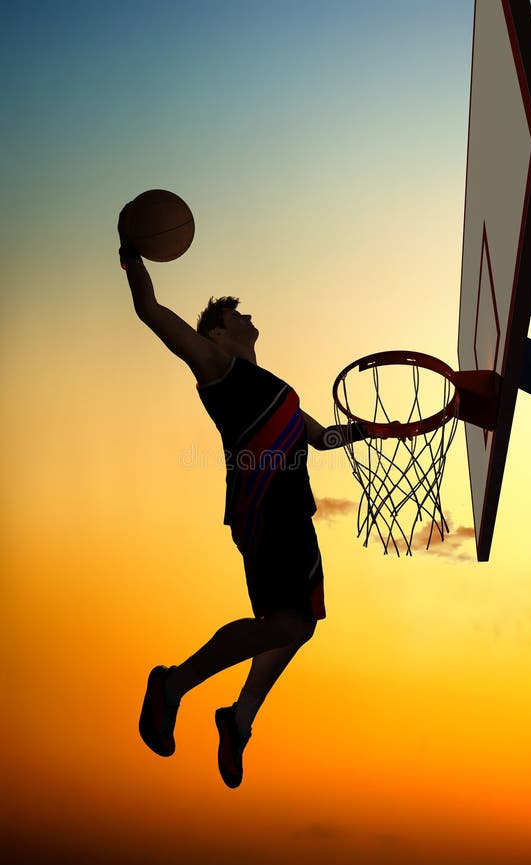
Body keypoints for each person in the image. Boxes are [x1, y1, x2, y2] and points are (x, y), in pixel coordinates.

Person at [118, 206, 364, 788]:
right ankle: (173, 684)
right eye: (235, 313)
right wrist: (131, 253)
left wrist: (372, 430)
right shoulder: (217, 365)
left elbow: (322, 439)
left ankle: (239, 717)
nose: (247, 314)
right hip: (265, 510)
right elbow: (149, 310)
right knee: (284, 623)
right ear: (217, 333)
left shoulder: (277, 390)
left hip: (293, 513)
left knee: (299, 625)